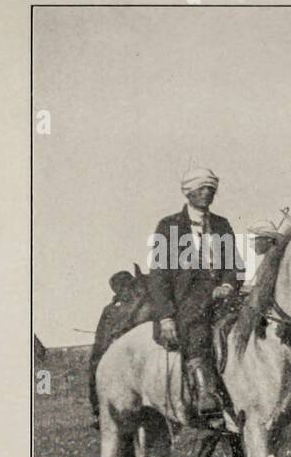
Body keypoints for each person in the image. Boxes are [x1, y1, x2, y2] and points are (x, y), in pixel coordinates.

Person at [148, 167, 243, 419]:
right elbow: (158, 275)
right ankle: (205, 393)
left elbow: (235, 265)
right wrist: (166, 317)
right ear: (188, 192)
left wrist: (228, 285)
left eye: (211, 189)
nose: (207, 193)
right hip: (188, 299)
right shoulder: (168, 226)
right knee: (196, 325)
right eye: (201, 188)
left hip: (223, 296)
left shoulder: (222, 224)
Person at [88, 269, 142, 428]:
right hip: (114, 350)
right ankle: (98, 410)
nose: (125, 290)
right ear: (116, 290)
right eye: (121, 287)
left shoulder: (140, 305)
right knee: (94, 367)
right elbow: (101, 339)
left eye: (128, 286)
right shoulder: (110, 310)